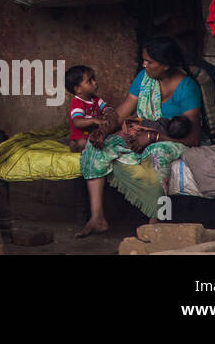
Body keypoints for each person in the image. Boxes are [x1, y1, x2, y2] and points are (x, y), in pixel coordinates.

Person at [76, 36, 203, 237]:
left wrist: (153, 137)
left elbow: (193, 139)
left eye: (149, 61)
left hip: (170, 140)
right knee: (97, 146)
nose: (144, 65)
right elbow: (121, 114)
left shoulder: (187, 88)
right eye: (143, 60)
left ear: (166, 65)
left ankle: (158, 219)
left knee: (158, 154)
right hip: (140, 133)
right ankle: (97, 217)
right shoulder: (144, 79)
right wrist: (103, 131)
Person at [65, 65, 110, 151]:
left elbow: (106, 108)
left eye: (94, 79)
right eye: (89, 81)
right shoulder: (77, 103)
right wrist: (93, 120)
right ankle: (73, 145)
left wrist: (108, 112)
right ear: (78, 89)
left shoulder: (96, 100)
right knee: (82, 143)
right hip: (81, 137)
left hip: (94, 135)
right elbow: (77, 122)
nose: (94, 83)